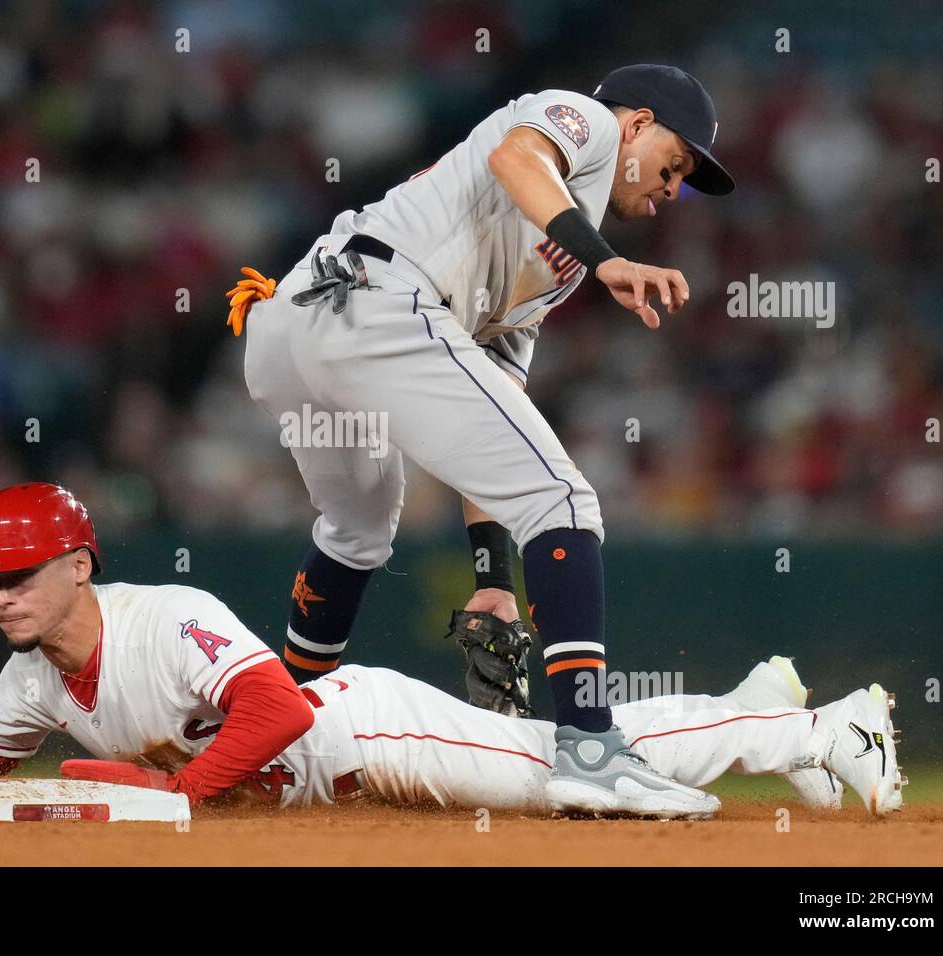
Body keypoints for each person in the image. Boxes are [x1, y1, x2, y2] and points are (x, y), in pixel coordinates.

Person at [225, 63, 742, 815]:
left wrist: (491, 578)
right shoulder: (585, 120)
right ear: (636, 125)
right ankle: (591, 748)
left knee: (359, 527)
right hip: (376, 300)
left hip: (302, 327)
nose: (673, 190)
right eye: (675, 165)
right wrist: (609, 263)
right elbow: (516, 157)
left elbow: (495, 411)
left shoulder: (551, 269)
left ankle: (274, 741)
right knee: (566, 499)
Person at [0, 484, 905, 820]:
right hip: (322, 781)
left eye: (14, 571)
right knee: (558, 753)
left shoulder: (165, 616)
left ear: (75, 565)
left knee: (570, 777)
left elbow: (282, 711)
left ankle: (821, 723)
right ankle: (763, 708)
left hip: (361, 724)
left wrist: (174, 797)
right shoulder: (31, 675)